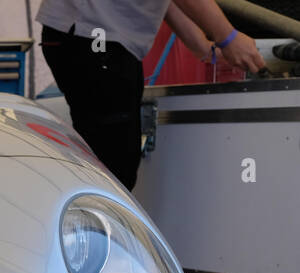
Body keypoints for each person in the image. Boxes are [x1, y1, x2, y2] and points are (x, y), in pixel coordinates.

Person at [38, 0, 265, 189]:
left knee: (111, 166)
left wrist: (201, 46)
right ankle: (95, 238)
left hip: (89, 37)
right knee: (113, 174)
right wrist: (228, 37)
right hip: (94, 37)